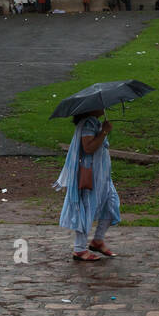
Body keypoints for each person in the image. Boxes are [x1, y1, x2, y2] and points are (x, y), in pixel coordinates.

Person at [53, 109, 121, 262]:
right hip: (92, 175)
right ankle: (79, 249)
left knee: (111, 205)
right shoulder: (89, 123)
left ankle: (98, 241)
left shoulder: (94, 122)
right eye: (99, 105)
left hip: (103, 176)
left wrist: (103, 130)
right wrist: (104, 132)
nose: (103, 108)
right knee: (88, 207)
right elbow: (88, 147)